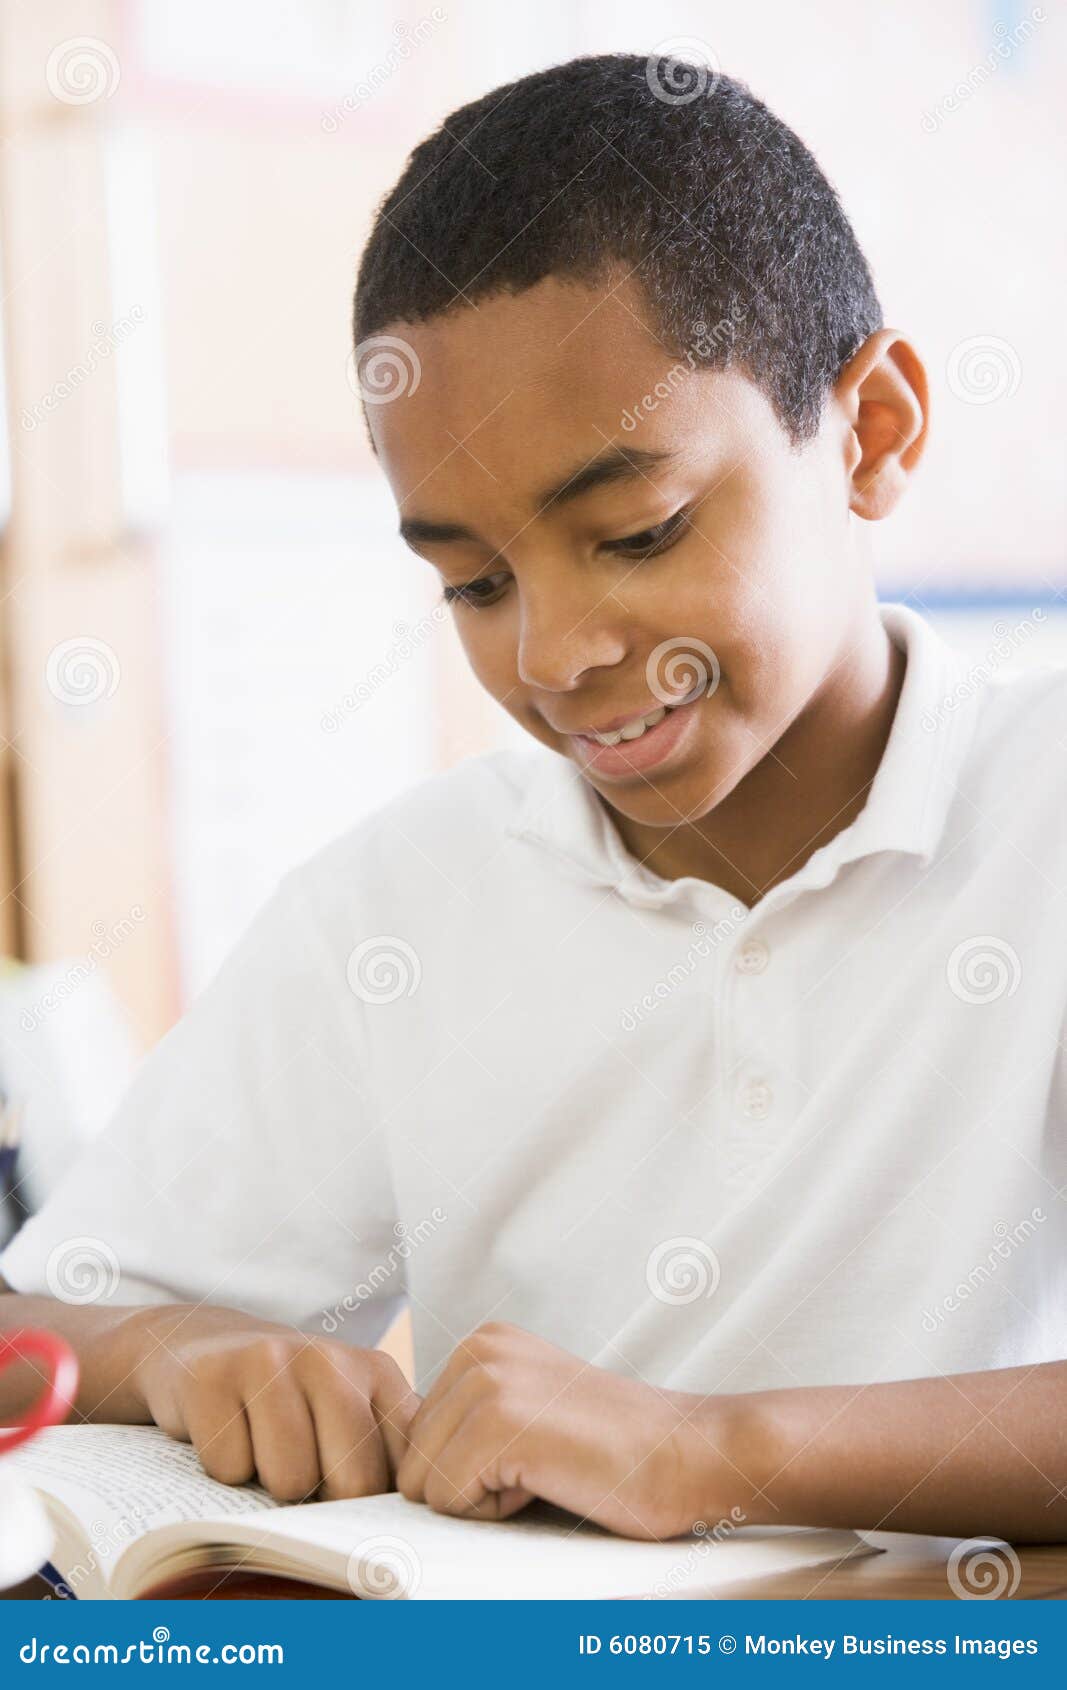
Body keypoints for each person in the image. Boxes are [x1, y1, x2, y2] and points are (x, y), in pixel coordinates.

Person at [2, 54, 1064, 1543]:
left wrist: (710, 1449)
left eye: (638, 531)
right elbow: (24, 1336)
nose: (553, 653)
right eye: (474, 581)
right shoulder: (401, 907)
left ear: (873, 431)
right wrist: (175, 1347)